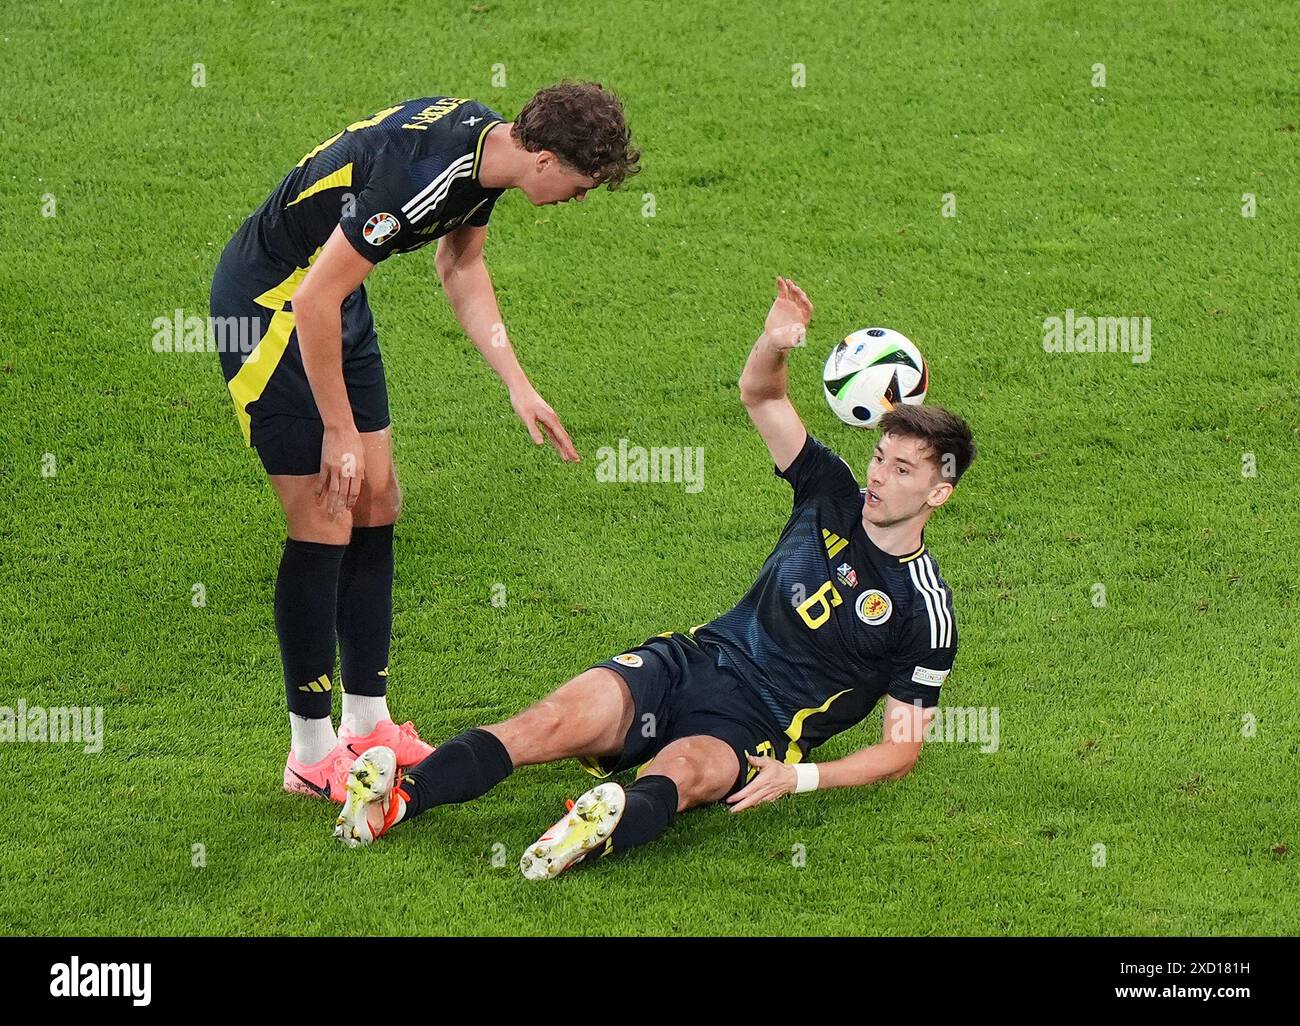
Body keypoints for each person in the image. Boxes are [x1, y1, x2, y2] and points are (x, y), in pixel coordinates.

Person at [333, 279, 975, 880]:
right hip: (691, 660)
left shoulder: (924, 612)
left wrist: (798, 778)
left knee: (684, 773)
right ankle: (396, 802)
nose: (879, 478)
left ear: (939, 492)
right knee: (549, 722)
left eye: (902, 471)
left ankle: (595, 825)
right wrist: (775, 340)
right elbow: (764, 395)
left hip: (758, 726)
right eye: (879, 458)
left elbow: (900, 751)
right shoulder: (829, 490)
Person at [210, 83, 639, 801]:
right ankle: (310, 753)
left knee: (378, 501)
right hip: (272, 304)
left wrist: (516, 380)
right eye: (579, 184)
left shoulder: (488, 157)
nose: (580, 198)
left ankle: (369, 724)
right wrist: (339, 433)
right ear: (541, 160)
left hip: (332, 297)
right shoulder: (418, 179)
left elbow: (461, 267)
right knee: (324, 512)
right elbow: (310, 298)